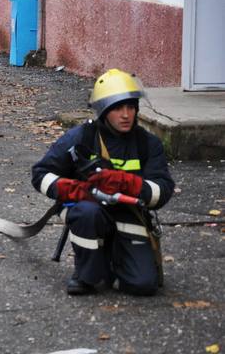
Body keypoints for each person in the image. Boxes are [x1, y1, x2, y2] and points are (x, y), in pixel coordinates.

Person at [32, 69, 174, 296]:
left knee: (143, 285)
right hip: (88, 209)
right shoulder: (82, 137)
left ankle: (109, 263)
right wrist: (76, 190)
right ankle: (85, 274)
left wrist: (127, 183)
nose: (126, 114)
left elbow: (163, 191)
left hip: (129, 213)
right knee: (88, 213)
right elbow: (40, 174)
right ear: (104, 111)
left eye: (130, 107)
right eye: (117, 108)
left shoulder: (148, 144)